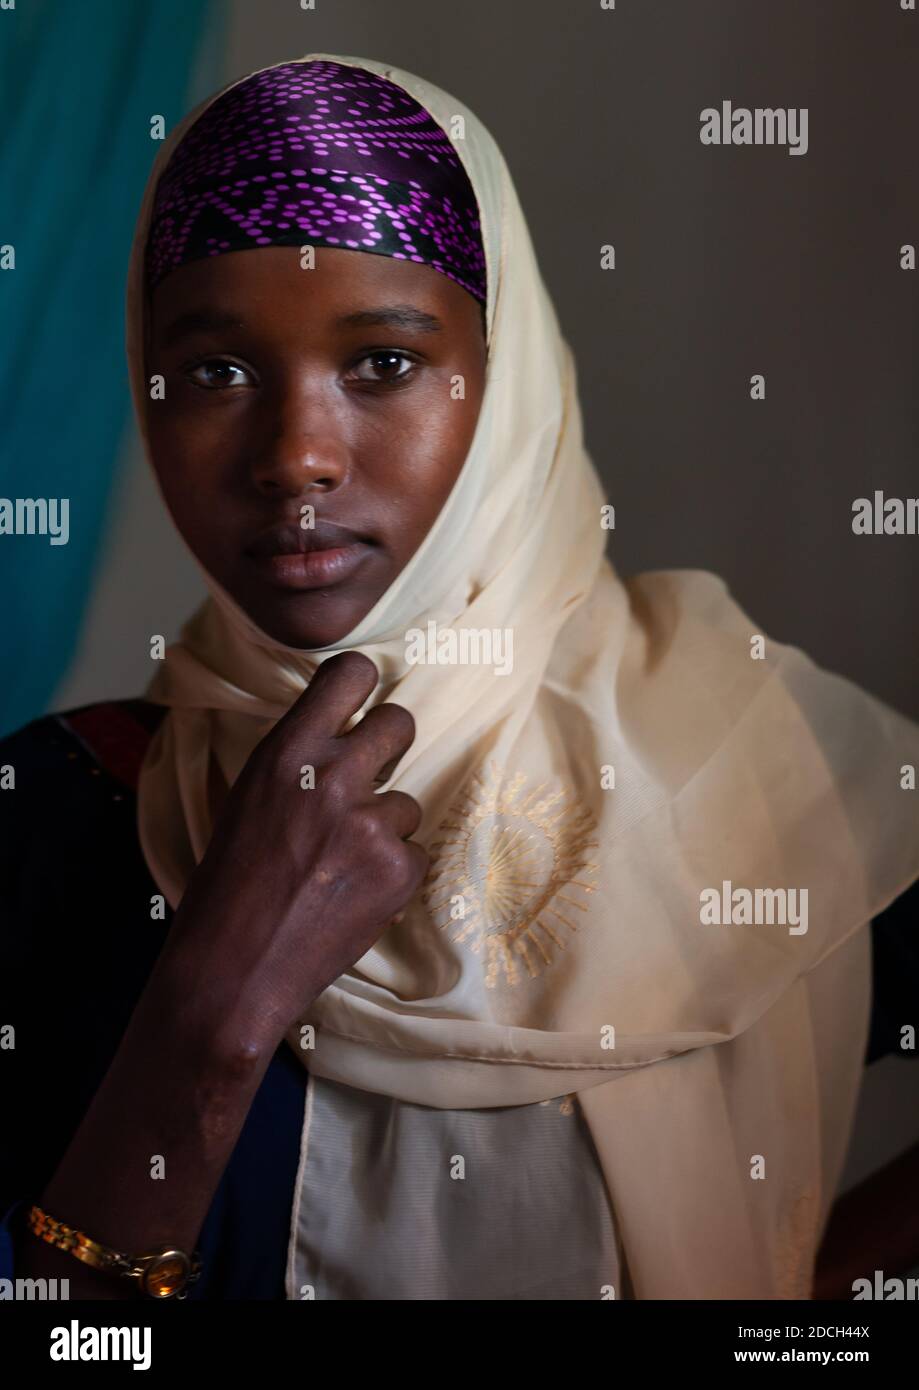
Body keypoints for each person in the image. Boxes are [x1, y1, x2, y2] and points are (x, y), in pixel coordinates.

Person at [2, 52, 918, 1302]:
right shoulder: (58, 812)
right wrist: (210, 1017)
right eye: (216, 370)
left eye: (381, 361)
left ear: (508, 381)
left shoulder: (751, 757)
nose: (298, 455)